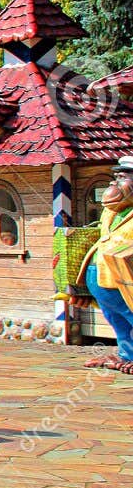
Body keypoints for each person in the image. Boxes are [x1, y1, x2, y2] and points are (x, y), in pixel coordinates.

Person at [80, 155, 133, 374]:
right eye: (115, 177)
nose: (114, 183)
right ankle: (127, 355)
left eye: (122, 177)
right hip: (104, 276)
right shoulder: (111, 211)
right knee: (117, 319)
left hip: (125, 279)